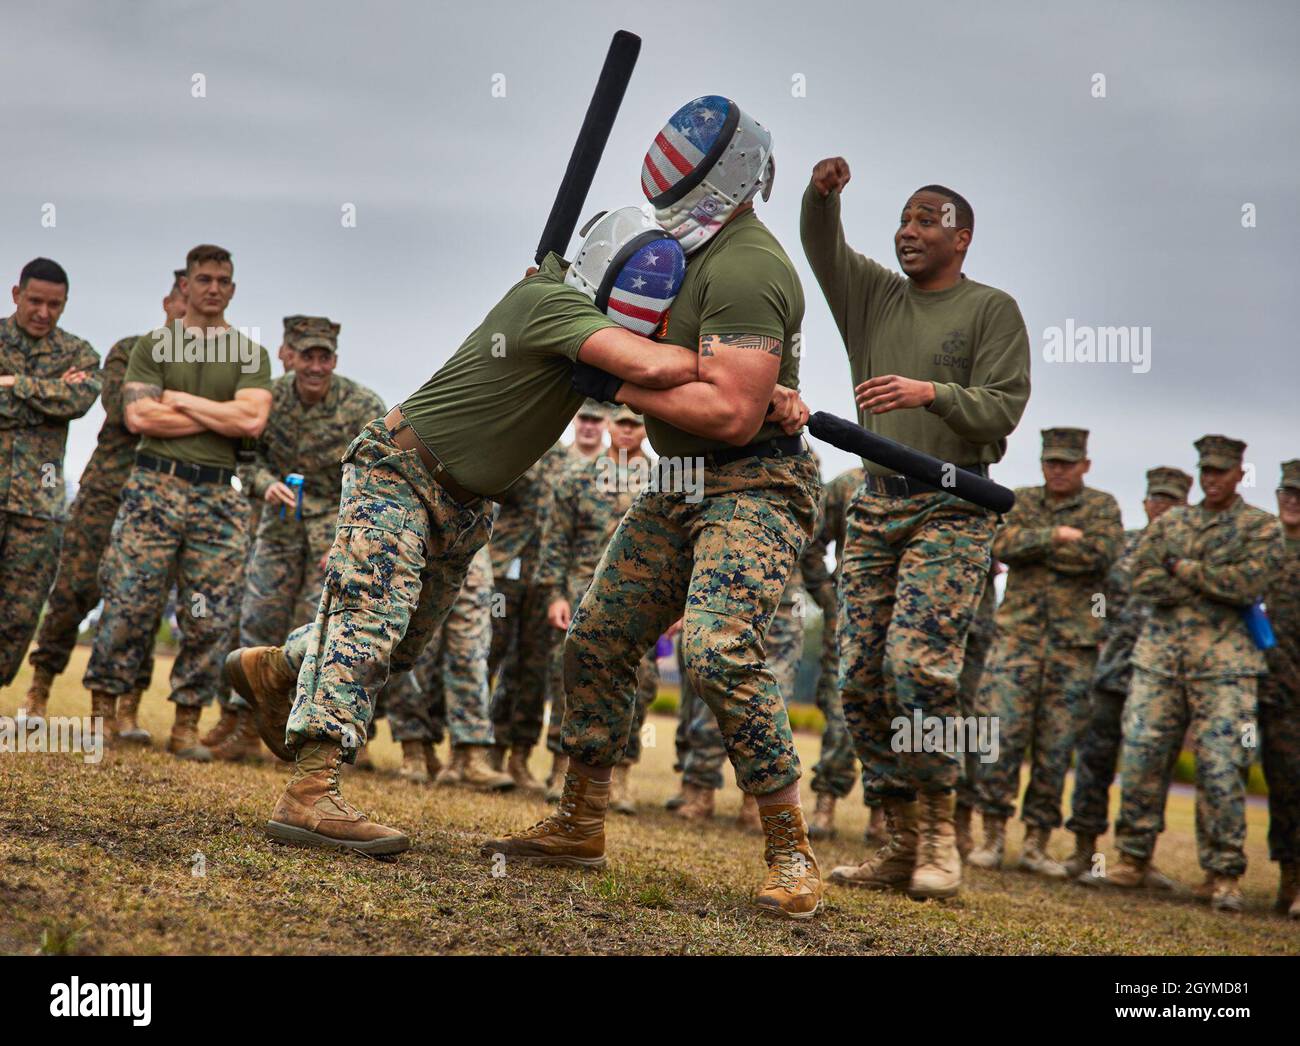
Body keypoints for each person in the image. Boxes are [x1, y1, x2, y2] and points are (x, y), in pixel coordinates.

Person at [226, 207, 789, 856]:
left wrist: (753, 391)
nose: (638, 315)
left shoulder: (575, 313)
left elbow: (649, 370)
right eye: (631, 299)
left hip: (466, 506)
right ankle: (308, 798)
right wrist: (748, 377)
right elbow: (657, 369)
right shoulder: (548, 302)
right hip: (402, 473)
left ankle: (279, 666)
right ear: (602, 275)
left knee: (399, 645)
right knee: (370, 624)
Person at [484, 96, 825, 920]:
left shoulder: (747, 265)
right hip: (677, 484)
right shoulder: (678, 249)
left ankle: (792, 850)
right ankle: (580, 820)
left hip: (755, 481)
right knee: (596, 638)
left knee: (714, 648)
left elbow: (733, 415)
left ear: (727, 175)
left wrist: (618, 383)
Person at [800, 156, 1030, 900]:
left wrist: (931, 392)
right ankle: (898, 842)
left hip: (952, 506)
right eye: (903, 219)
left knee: (918, 667)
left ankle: (940, 836)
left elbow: (1001, 410)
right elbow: (821, 246)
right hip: (875, 505)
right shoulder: (873, 299)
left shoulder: (992, 309)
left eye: (927, 220)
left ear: (963, 237)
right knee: (860, 678)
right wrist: (820, 197)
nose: (909, 231)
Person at [83, 244, 273, 758]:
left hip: (218, 494)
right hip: (154, 488)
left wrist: (182, 400)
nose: (213, 288)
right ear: (185, 285)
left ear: (232, 288)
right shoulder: (153, 347)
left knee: (209, 614)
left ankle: (187, 722)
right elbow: (140, 419)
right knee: (128, 601)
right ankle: (103, 713)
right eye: (204, 278)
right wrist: (220, 415)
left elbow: (253, 421)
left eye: (223, 280)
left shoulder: (249, 355)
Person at [1107, 435, 1284, 912]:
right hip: (1159, 662)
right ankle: (1131, 857)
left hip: (1225, 668)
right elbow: (1139, 578)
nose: (1211, 478)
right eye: (1205, 470)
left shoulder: (1261, 528)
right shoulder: (1174, 522)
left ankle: (1222, 872)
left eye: (1220, 471)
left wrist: (1181, 567)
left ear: (1238, 473)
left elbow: (1249, 582)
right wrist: (1209, 580)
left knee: (1222, 767)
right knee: (1142, 756)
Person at [208, 315, 385, 760]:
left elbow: (376, 472)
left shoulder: (361, 404)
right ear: (291, 356)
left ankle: (316, 740)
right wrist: (263, 482)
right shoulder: (269, 399)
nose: (315, 366)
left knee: (320, 630)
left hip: (334, 529)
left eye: (324, 357)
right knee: (258, 619)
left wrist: (351, 537)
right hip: (280, 523)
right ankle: (245, 729)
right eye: (307, 355)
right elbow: (245, 459)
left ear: (334, 360)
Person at [22, 270, 185, 733]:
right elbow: (122, 408)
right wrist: (191, 404)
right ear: (168, 303)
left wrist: (165, 400)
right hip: (106, 492)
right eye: (181, 303)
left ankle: (127, 707)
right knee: (74, 590)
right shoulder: (129, 350)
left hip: (162, 499)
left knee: (144, 601)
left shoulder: (210, 365)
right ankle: (39, 690)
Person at [968, 428, 1123, 876]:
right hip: (1016, 641)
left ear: (1085, 466)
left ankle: (1036, 843)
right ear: (1041, 463)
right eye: (1051, 461)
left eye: (1067, 463)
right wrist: (1056, 535)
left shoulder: (1103, 507)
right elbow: (999, 545)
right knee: (1000, 738)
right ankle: (992, 838)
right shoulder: (1019, 499)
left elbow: (1103, 555)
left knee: (1056, 747)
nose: (1057, 469)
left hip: (1072, 649)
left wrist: (1034, 547)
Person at [1064, 466, 1191, 887]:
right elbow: (1097, 598)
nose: (1161, 506)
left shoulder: (1193, 554)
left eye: (1170, 500)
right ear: (1144, 502)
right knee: (1095, 757)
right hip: (1115, 669)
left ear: (1183, 506)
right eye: (1156, 498)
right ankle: (1085, 848)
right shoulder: (1125, 547)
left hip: (1167, 674)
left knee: (1152, 764)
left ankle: (1139, 856)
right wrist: (1101, 630)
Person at [536, 404, 658, 813]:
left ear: (645, 429)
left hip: (644, 599)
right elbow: (555, 543)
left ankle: (620, 779)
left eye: (635, 424)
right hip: (581, 592)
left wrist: (677, 608)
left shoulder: (667, 477)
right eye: (620, 422)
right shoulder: (576, 477)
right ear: (608, 426)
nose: (626, 430)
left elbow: (684, 546)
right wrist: (555, 594)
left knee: (640, 684)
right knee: (568, 679)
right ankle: (559, 769)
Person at [1, 258, 101, 693]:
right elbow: (59, 399)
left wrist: (12, 384)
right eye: (36, 301)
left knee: (19, 616)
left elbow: (77, 400)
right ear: (17, 294)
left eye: (55, 305)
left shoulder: (78, 353)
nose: (44, 312)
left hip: (37, 509)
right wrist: (47, 390)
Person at [380, 543, 515, 790]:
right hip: (423, 544)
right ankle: (414, 749)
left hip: (472, 550)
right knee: (415, 653)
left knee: (471, 655)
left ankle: (471, 754)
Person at [1257, 459, 1299, 918]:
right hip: (1266, 684)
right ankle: (1288, 879)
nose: (1291, 500)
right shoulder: (1262, 544)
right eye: (1286, 491)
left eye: (1299, 493)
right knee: (1280, 784)